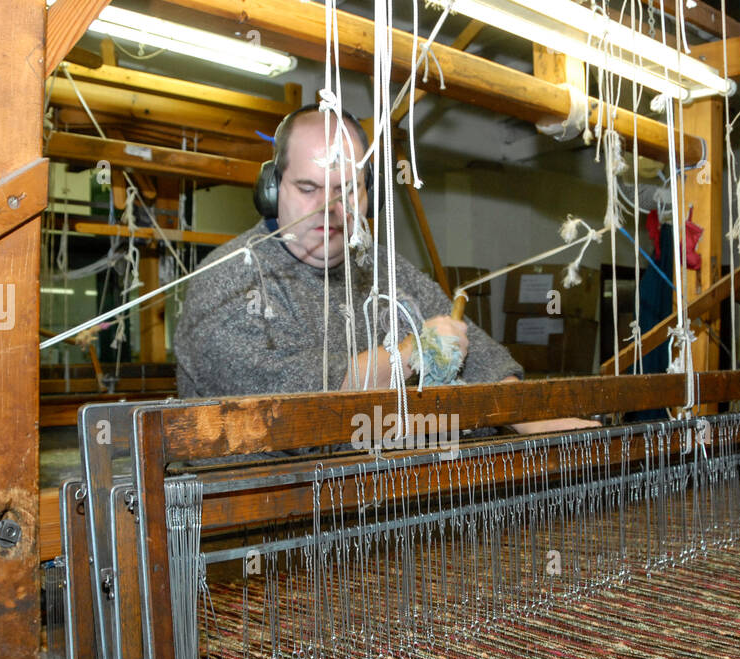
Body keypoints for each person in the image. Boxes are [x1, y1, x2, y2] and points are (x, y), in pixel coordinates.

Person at [173, 104, 595, 435]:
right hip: (253, 527)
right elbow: (300, 400)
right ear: (270, 189)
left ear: (367, 195)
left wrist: (531, 416)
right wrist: (415, 354)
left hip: (368, 508)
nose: (329, 209)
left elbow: (469, 345)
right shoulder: (228, 283)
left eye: (346, 190)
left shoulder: (377, 267)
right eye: (308, 188)